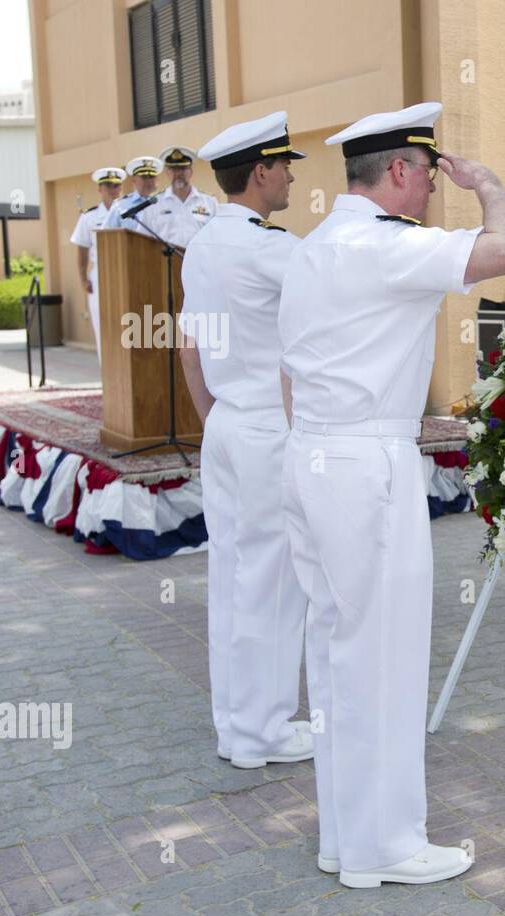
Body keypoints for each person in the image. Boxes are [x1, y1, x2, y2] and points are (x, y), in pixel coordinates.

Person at [279, 102, 505, 887]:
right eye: (428, 173)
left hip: (311, 457)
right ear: (398, 171)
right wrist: (487, 181)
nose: (434, 188)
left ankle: (345, 840)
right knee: (382, 657)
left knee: (334, 655)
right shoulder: (390, 247)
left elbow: (289, 377)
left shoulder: (311, 249)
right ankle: (385, 847)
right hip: (367, 464)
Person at [177, 112, 312, 773]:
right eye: (284, 164)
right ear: (260, 172)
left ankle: (236, 727)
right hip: (262, 428)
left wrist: (215, 419)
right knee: (272, 584)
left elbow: (189, 349)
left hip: (227, 424)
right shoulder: (270, 249)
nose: (290, 175)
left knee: (231, 576)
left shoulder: (201, 244)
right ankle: (266, 732)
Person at [69, 166, 125, 363]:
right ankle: (107, 374)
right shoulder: (89, 216)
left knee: (128, 326)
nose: (113, 189)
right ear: (99, 189)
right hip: (100, 275)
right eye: (108, 185)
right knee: (103, 326)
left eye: (117, 185)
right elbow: (82, 249)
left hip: (126, 273)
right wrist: (83, 278)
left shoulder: (131, 212)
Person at [153, 146, 218, 247]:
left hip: (200, 260)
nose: (178, 174)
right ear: (167, 173)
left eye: (183, 169)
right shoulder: (154, 203)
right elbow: (144, 237)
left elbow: (217, 235)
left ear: (191, 172)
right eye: (174, 170)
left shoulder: (209, 202)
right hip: (166, 261)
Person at [100, 156, 163, 236]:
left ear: (157, 179)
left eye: (152, 177)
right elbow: (106, 236)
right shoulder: (120, 206)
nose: (149, 181)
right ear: (134, 180)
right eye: (144, 177)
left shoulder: (165, 202)